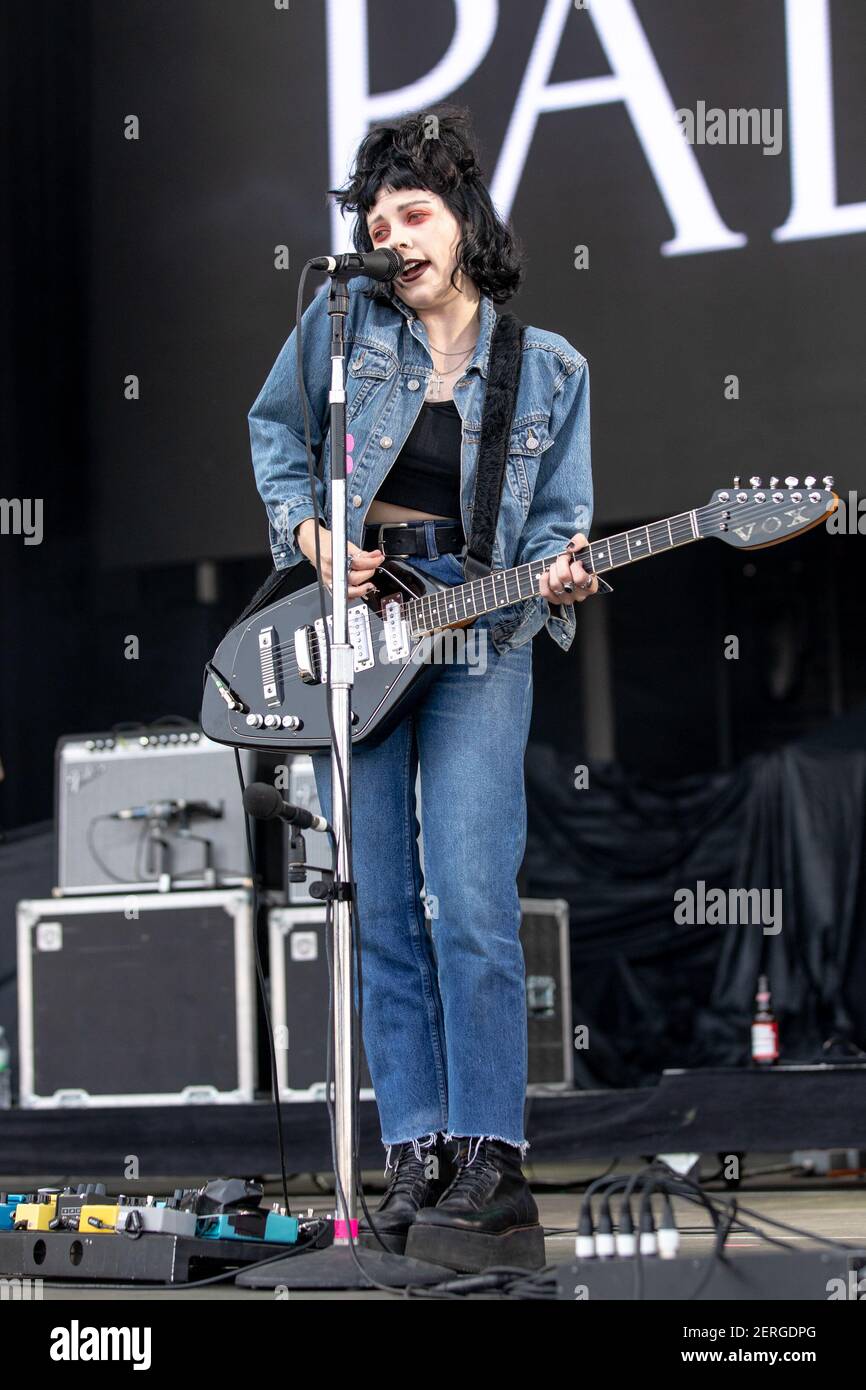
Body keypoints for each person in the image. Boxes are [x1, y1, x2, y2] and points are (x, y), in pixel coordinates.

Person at [248, 108, 597, 1273]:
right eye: (378, 219)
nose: (394, 235)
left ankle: (491, 1162)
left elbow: (558, 531)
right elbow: (274, 435)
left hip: (478, 624)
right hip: (355, 625)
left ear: (462, 224)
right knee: (378, 902)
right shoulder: (339, 324)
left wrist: (558, 574)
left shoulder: (544, 367)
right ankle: (413, 1152)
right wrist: (306, 532)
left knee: (470, 895)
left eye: (415, 214)